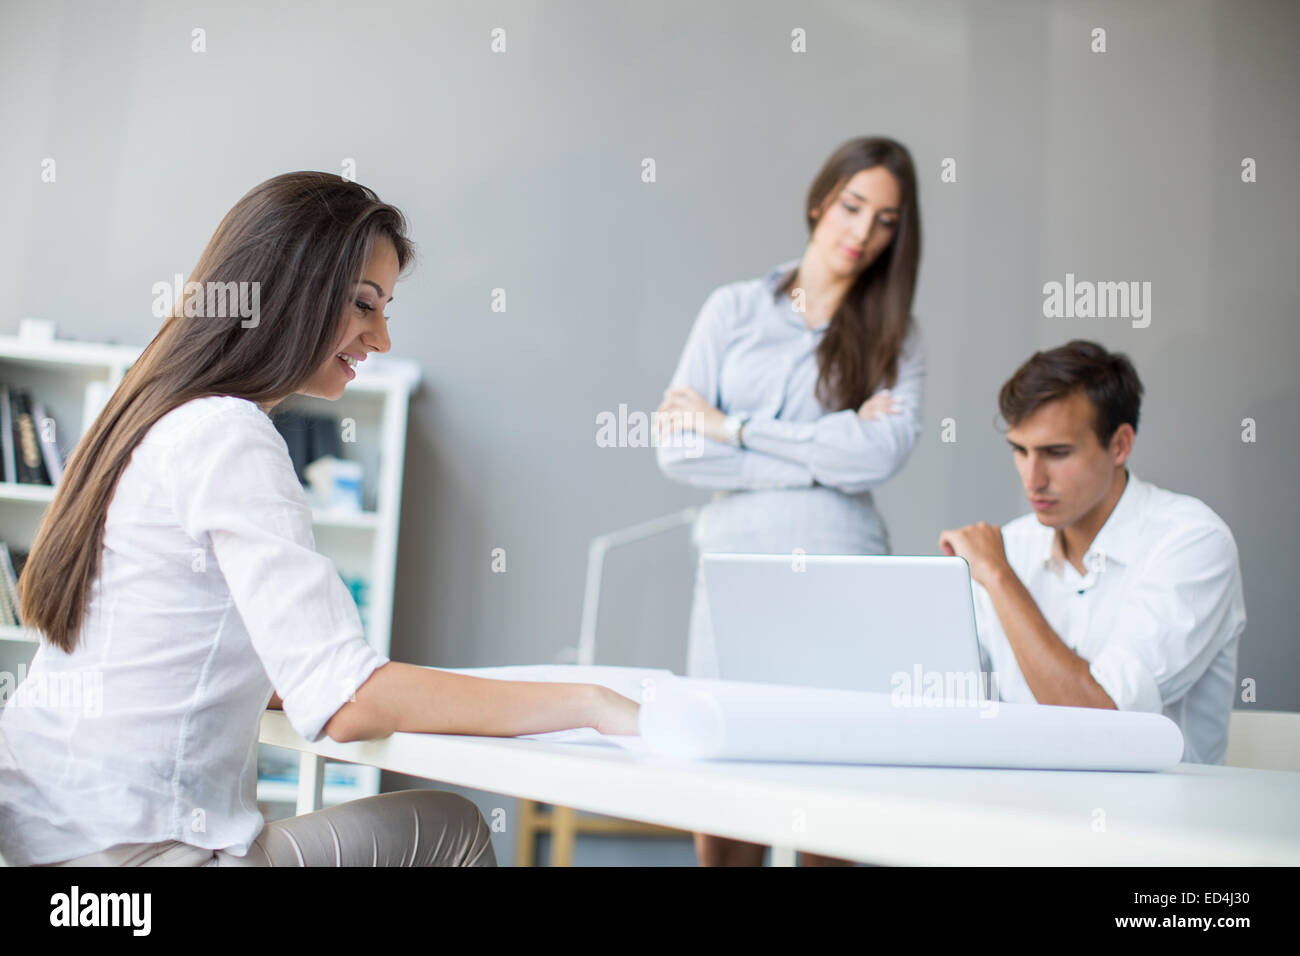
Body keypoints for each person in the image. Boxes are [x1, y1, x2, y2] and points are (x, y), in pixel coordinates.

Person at [0, 172, 638, 868]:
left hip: (47, 846)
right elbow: (347, 703)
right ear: (288, 290)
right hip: (131, 866)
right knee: (451, 828)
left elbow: (187, 653)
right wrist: (587, 701)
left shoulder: (150, 418)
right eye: (365, 304)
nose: (382, 338)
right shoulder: (229, 434)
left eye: (386, 308)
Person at [655, 137, 926, 866]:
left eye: (887, 221)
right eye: (852, 207)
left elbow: (882, 455)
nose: (863, 233)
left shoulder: (894, 338)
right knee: (727, 781)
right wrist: (823, 454)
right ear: (819, 202)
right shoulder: (735, 309)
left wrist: (734, 429)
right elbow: (678, 448)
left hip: (845, 572)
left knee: (832, 794)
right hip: (734, 567)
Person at [939, 340, 1244, 764]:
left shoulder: (1193, 542)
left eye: (1056, 453)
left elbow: (1099, 722)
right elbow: (936, 697)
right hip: (1024, 812)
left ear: (1119, 445)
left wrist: (998, 576)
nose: (1032, 479)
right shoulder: (1013, 544)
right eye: (1020, 450)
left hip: (1160, 823)